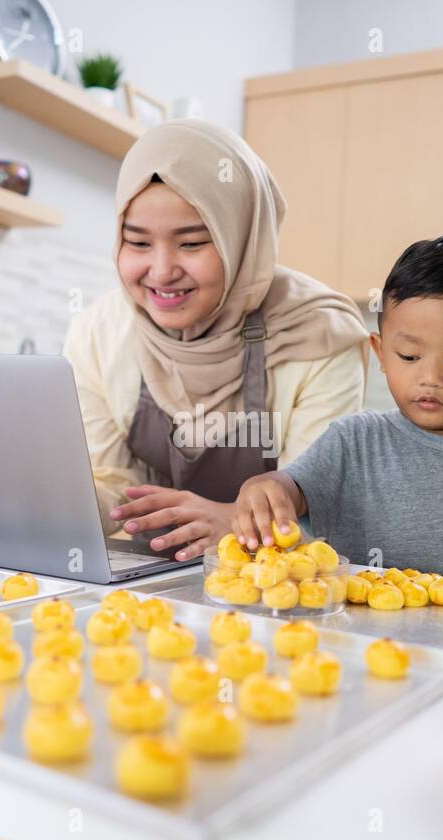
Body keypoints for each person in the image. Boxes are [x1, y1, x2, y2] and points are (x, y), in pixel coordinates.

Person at [62, 120, 369, 561]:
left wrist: (237, 523)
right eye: (138, 242)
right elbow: (117, 488)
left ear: (241, 235)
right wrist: (61, 500)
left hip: (274, 585)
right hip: (149, 583)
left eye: (191, 243)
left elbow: (324, 506)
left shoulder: (319, 334)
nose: (162, 270)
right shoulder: (97, 333)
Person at [232, 233, 443, 611]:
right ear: (381, 353)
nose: (430, 377)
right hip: (360, 645)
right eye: (409, 355)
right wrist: (269, 487)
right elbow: (293, 487)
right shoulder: (354, 441)